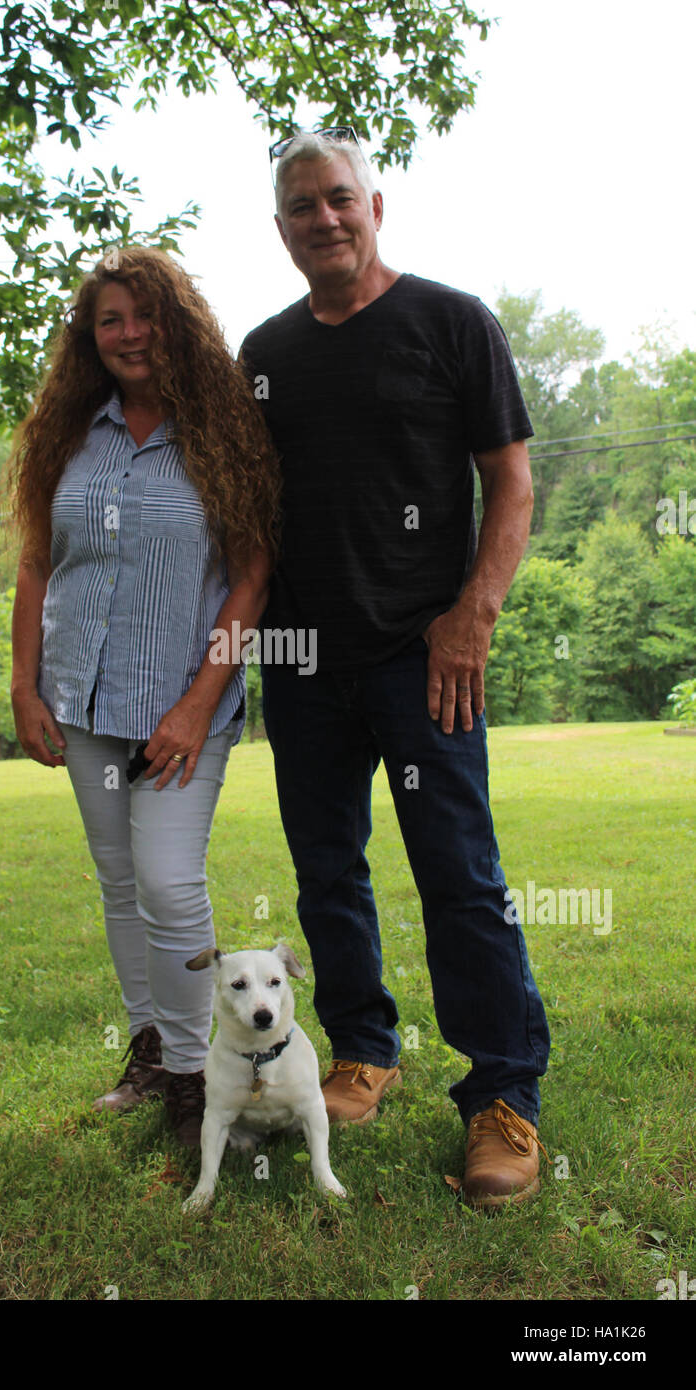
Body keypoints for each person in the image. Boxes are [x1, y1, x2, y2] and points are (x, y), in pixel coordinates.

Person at [239, 130, 551, 1206]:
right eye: (299, 208)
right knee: (327, 873)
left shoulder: (449, 322)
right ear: (278, 229)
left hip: (426, 659)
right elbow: (254, 517)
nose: (321, 220)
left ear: (376, 206)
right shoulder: (265, 353)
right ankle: (363, 1049)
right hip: (303, 663)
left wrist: (473, 612)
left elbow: (508, 482)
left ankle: (502, 1098)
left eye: (338, 200)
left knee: (458, 876)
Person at [4, 246, 279, 1146]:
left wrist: (201, 703)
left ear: (177, 323)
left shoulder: (222, 431)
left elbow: (252, 579)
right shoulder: (70, 433)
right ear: (92, 338)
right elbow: (39, 563)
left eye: (144, 316)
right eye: (109, 321)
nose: (129, 335)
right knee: (121, 885)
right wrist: (24, 685)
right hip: (81, 700)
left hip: (180, 712)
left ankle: (201, 1077)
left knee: (168, 881)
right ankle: (152, 1053)